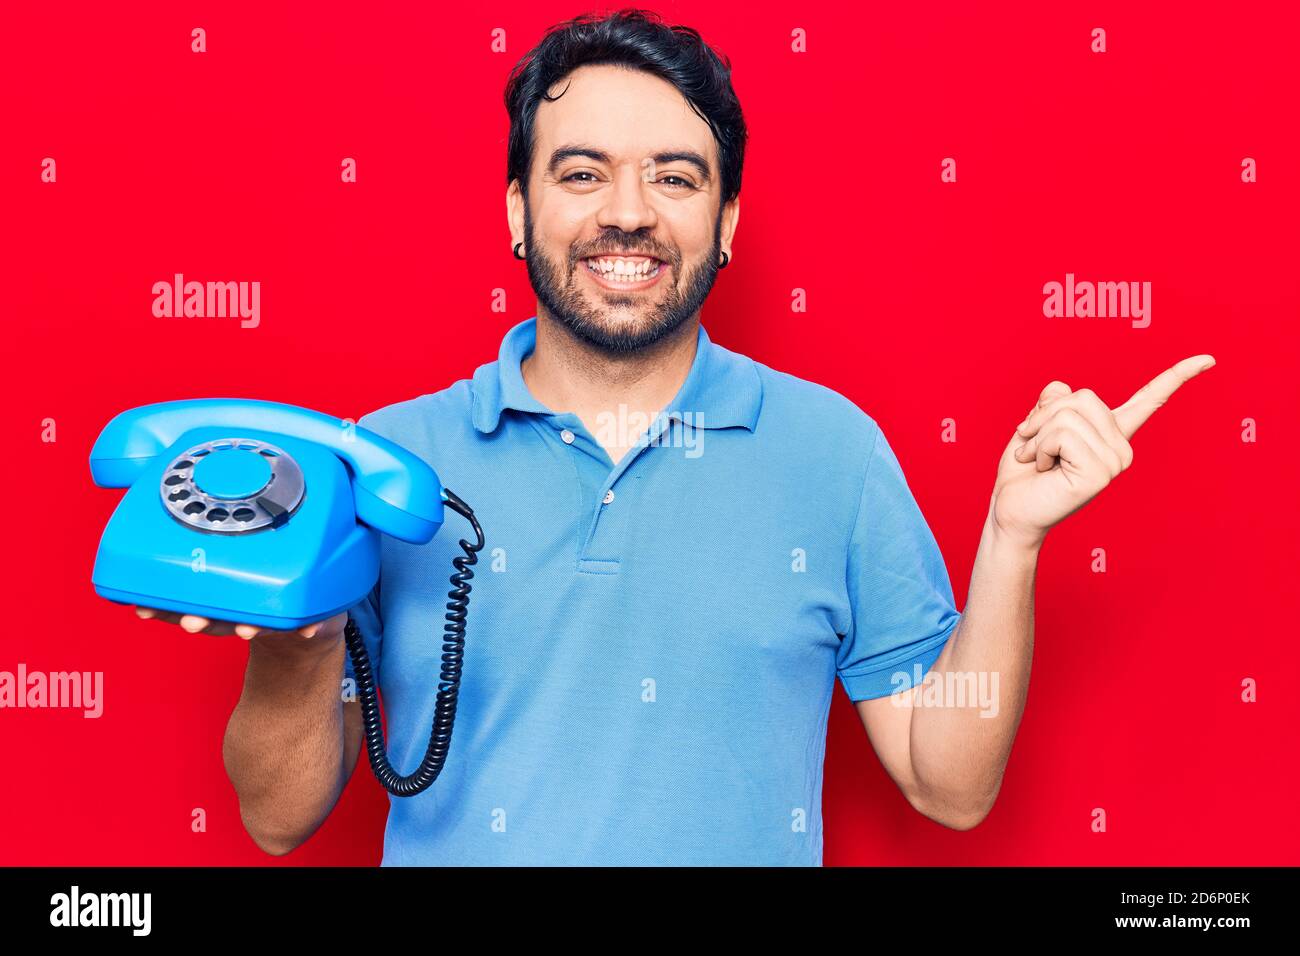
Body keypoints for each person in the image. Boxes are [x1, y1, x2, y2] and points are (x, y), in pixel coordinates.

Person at [135, 9, 1214, 865]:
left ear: (726, 222)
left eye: (675, 175)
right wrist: (299, 626)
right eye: (581, 171)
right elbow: (277, 821)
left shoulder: (832, 451)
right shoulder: (385, 456)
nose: (629, 211)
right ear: (515, 210)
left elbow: (950, 783)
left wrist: (1012, 537)